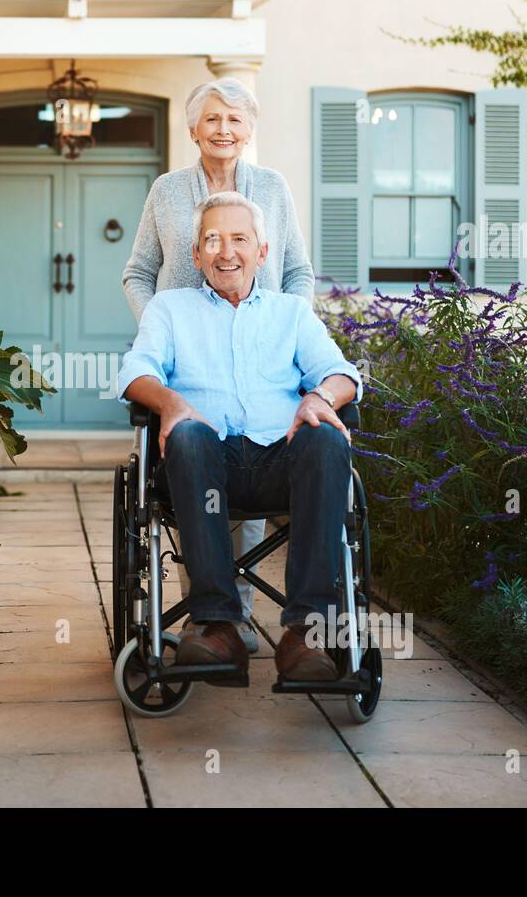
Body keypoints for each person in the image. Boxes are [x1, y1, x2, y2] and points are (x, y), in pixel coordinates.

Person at [114, 192, 361, 684]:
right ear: (196, 255)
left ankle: (306, 631)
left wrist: (321, 399)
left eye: (239, 239)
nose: (227, 252)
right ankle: (216, 623)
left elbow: (341, 374)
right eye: (213, 240)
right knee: (186, 434)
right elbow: (134, 373)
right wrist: (170, 404)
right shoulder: (169, 309)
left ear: (263, 253)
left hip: (280, 466)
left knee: (327, 439)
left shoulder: (290, 313)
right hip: (201, 466)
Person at [120, 77, 315, 653]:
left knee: (252, 454)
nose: (223, 130)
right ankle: (207, 619)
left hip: (261, 358)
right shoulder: (167, 190)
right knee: (192, 470)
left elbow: (299, 272)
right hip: (187, 360)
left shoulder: (273, 189)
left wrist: (282, 326)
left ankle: (241, 617)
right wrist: (162, 324)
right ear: (193, 129)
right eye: (212, 120)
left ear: (249, 128)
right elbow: (138, 271)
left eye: (233, 120)